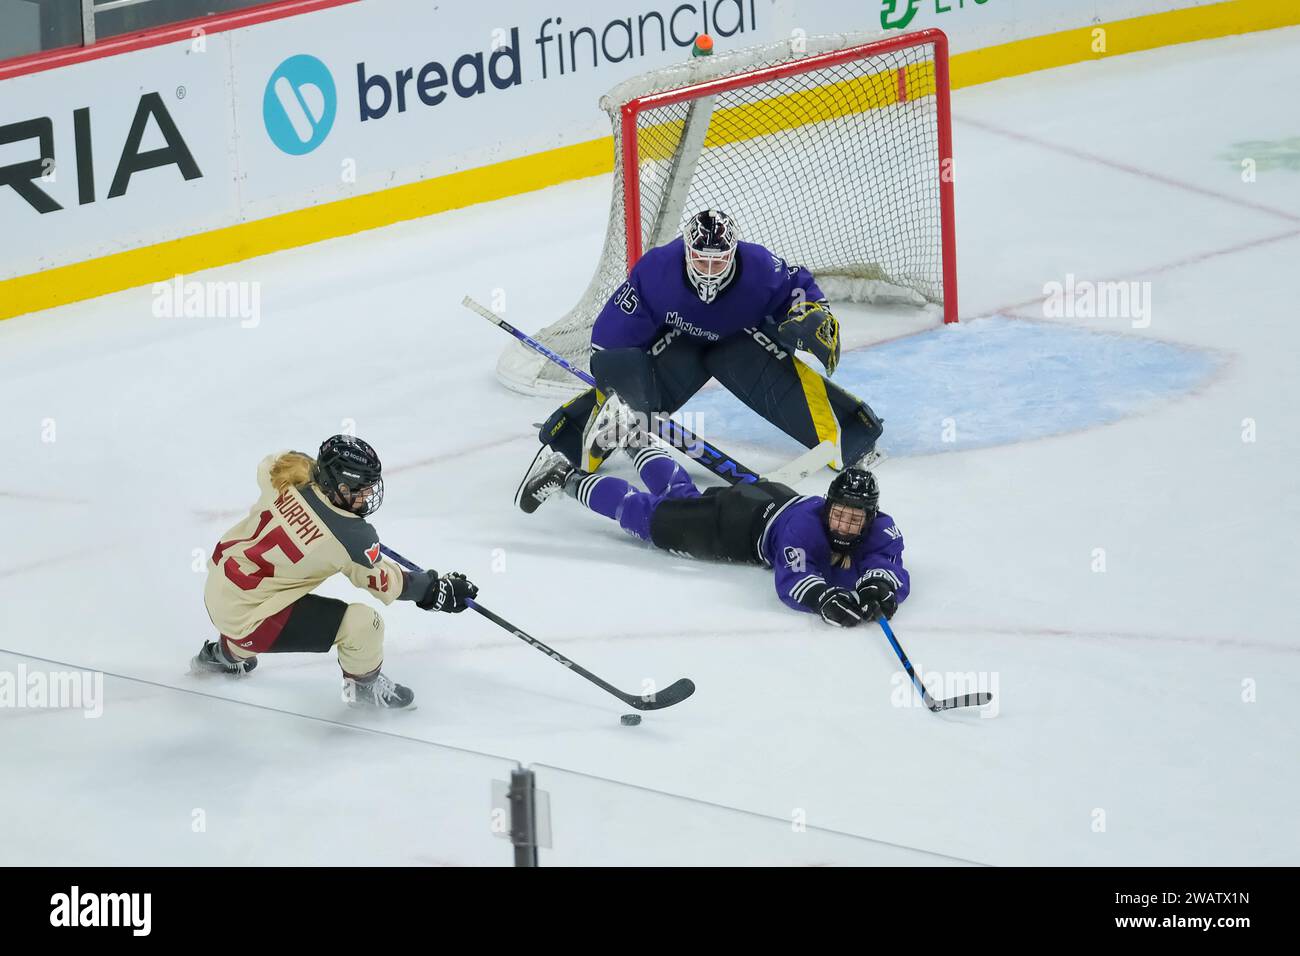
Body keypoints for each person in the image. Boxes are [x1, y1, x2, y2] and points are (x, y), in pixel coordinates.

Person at [528, 209, 885, 485]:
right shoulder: (656, 271)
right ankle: (572, 441)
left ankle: (850, 438)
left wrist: (811, 314)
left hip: (741, 339)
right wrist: (624, 387)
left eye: (719, 260)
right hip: (680, 346)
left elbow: (797, 288)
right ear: (686, 251)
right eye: (701, 259)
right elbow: (611, 339)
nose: (710, 269)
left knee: (752, 363)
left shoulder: (760, 267)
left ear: (733, 253)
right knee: (630, 402)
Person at [192, 435, 478, 708]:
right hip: (248, 617)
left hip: (219, 585)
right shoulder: (352, 537)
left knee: (261, 603)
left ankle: (222, 655)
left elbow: (268, 465)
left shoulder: (289, 474)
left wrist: (304, 467)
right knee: (365, 624)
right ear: (339, 487)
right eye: (362, 489)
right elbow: (386, 583)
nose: (367, 496)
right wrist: (434, 589)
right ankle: (363, 688)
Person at [518, 437, 908, 627]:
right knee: (651, 519)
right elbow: (794, 579)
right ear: (828, 505)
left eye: (855, 520)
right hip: (735, 526)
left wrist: (880, 586)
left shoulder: (881, 528)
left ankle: (634, 439)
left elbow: (886, 561)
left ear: (870, 517)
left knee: (681, 498)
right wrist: (823, 598)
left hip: (767, 496)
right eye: (839, 514)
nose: (844, 525)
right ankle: (565, 476)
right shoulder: (805, 529)